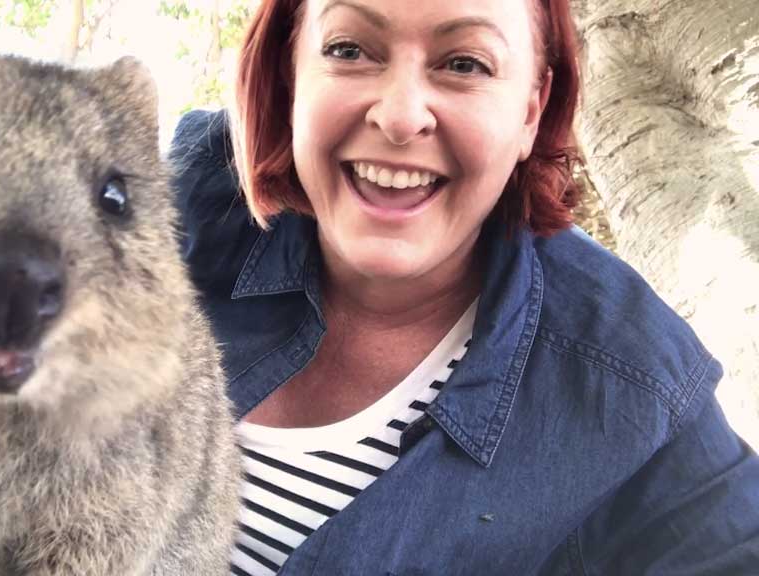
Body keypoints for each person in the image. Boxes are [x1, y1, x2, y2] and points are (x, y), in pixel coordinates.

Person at [169, 0, 759, 574]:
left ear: (532, 110)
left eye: (464, 64)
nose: (400, 117)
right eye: (348, 50)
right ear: (290, 73)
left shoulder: (632, 378)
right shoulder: (182, 202)